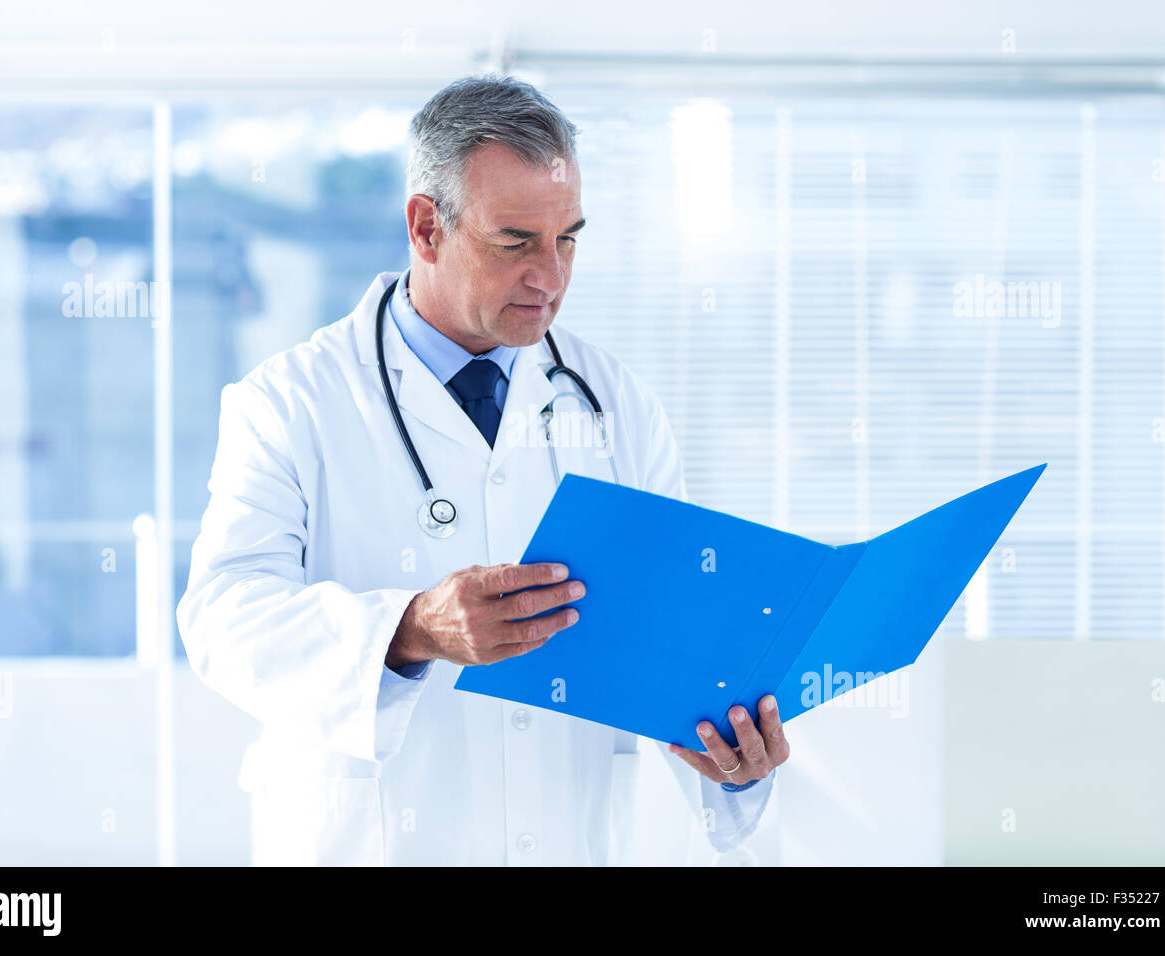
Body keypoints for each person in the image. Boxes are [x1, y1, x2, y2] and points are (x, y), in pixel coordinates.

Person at [177, 74, 788, 866]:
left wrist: (731, 759)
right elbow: (223, 619)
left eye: (568, 237)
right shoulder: (289, 402)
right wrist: (411, 628)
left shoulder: (617, 408)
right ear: (426, 227)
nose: (552, 276)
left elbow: (676, 633)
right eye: (516, 243)